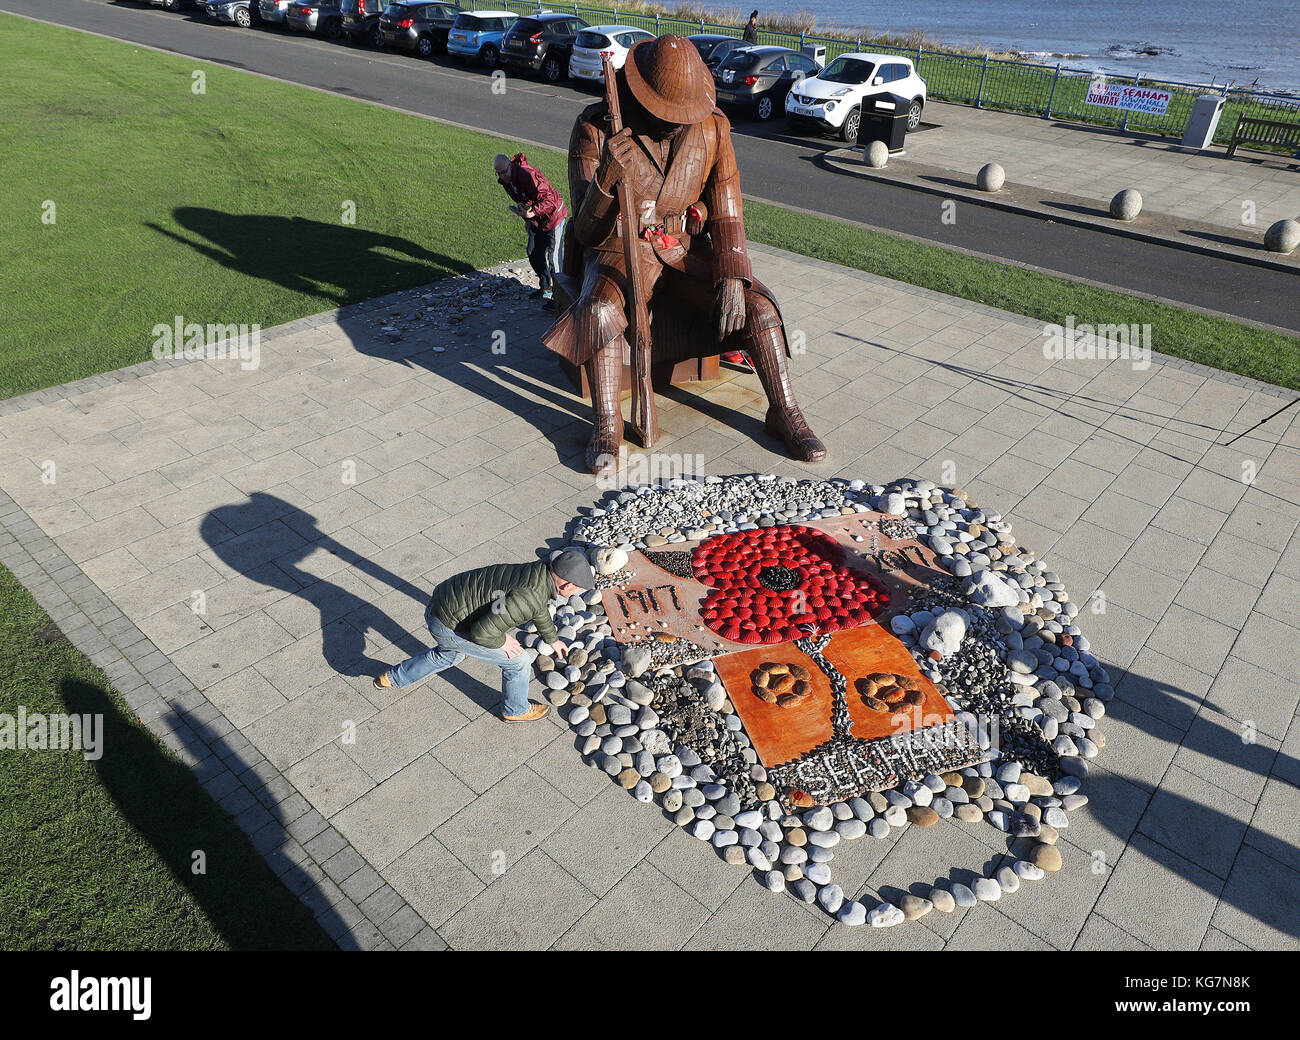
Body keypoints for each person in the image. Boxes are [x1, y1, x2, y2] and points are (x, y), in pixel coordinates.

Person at [541, 35, 826, 474]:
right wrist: (605, 183)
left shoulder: (712, 127)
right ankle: (606, 422)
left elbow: (728, 211)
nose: (677, 123)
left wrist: (732, 274)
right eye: (667, 114)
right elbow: (583, 230)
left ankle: (783, 411)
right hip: (618, 247)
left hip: (682, 249)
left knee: (760, 309)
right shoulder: (596, 126)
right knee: (598, 311)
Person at [373, 550, 596, 723]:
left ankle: (392, 678)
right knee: (518, 662)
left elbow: (536, 606)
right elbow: (483, 632)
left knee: (450, 656)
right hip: (448, 623)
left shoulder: (537, 572)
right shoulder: (531, 594)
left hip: (442, 604)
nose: (576, 594)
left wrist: (551, 638)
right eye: (576, 590)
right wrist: (502, 640)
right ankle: (515, 711)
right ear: (567, 585)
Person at [494, 152, 567, 306]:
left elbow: (550, 200)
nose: (502, 176)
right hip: (537, 220)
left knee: (554, 259)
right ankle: (546, 286)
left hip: (554, 217)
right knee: (533, 252)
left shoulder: (528, 175)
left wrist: (532, 212)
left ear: (510, 166)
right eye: (499, 173)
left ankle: (561, 299)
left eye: (504, 172)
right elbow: (523, 197)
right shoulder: (506, 180)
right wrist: (523, 209)